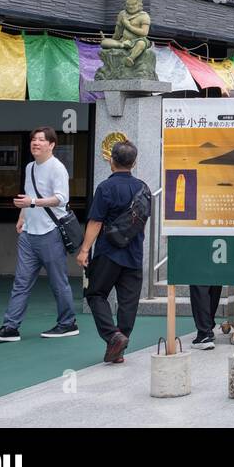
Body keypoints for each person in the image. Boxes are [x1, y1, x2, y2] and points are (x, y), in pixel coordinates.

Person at [0, 127, 78, 343]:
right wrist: (22, 216)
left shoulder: (57, 168)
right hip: (29, 233)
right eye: (33, 140)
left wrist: (32, 203)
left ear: (52, 145)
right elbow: (29, 194)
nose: (35, 143)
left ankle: (67, 323)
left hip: (50, 232)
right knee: (21, 282)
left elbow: (61, 199)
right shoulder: (29, 167)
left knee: (58, 282)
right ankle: (10, 327)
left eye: (41, 140)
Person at [78, 139, 147, 365]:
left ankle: (112, 336)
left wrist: (85, 249)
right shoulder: (143, 188)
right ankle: (120, 345)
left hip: (108, 252)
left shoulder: (105, 188)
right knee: (128, 303)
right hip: (134, 253)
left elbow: (96, 222)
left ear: (111, 161)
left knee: (96, 294)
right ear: (134, 163)